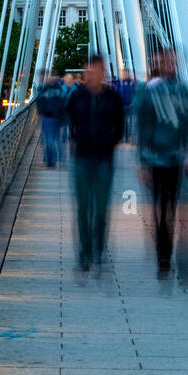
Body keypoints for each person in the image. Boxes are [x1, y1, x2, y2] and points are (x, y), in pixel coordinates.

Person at [133, 49, 188, 276]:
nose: (170, 65)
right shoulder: (152, 91)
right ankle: (163, 256)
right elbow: (144, 128)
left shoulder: (182, 90)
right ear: (162, 64)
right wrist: (142, 162)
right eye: (167, 61)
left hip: (175, 160)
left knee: (171, 208)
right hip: (156, 160)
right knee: (160, 209)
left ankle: (166, 252)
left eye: (173, 61)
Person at [65, 55, 124, 272]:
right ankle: (85, 252)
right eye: (87, 71)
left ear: (103, 72)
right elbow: (70, 121)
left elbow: (120, 127)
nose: (90, 74)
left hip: (104, 160)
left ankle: (98, 249)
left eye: (94, 70)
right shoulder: (77, 96)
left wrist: (110, 144)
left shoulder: (113, 98)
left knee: (100, 209)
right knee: (83, 209)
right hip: (81, 159)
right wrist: (76, 139)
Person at [37, 75, 67, 168]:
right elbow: (64, 104)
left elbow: (40, 101)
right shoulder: (61, 91)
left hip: (47, 117)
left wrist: (41, 112)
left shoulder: (44, 90)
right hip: (58, 118)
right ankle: (55, 160)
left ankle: (50, 161)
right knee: (56, 139)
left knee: (49, 140)